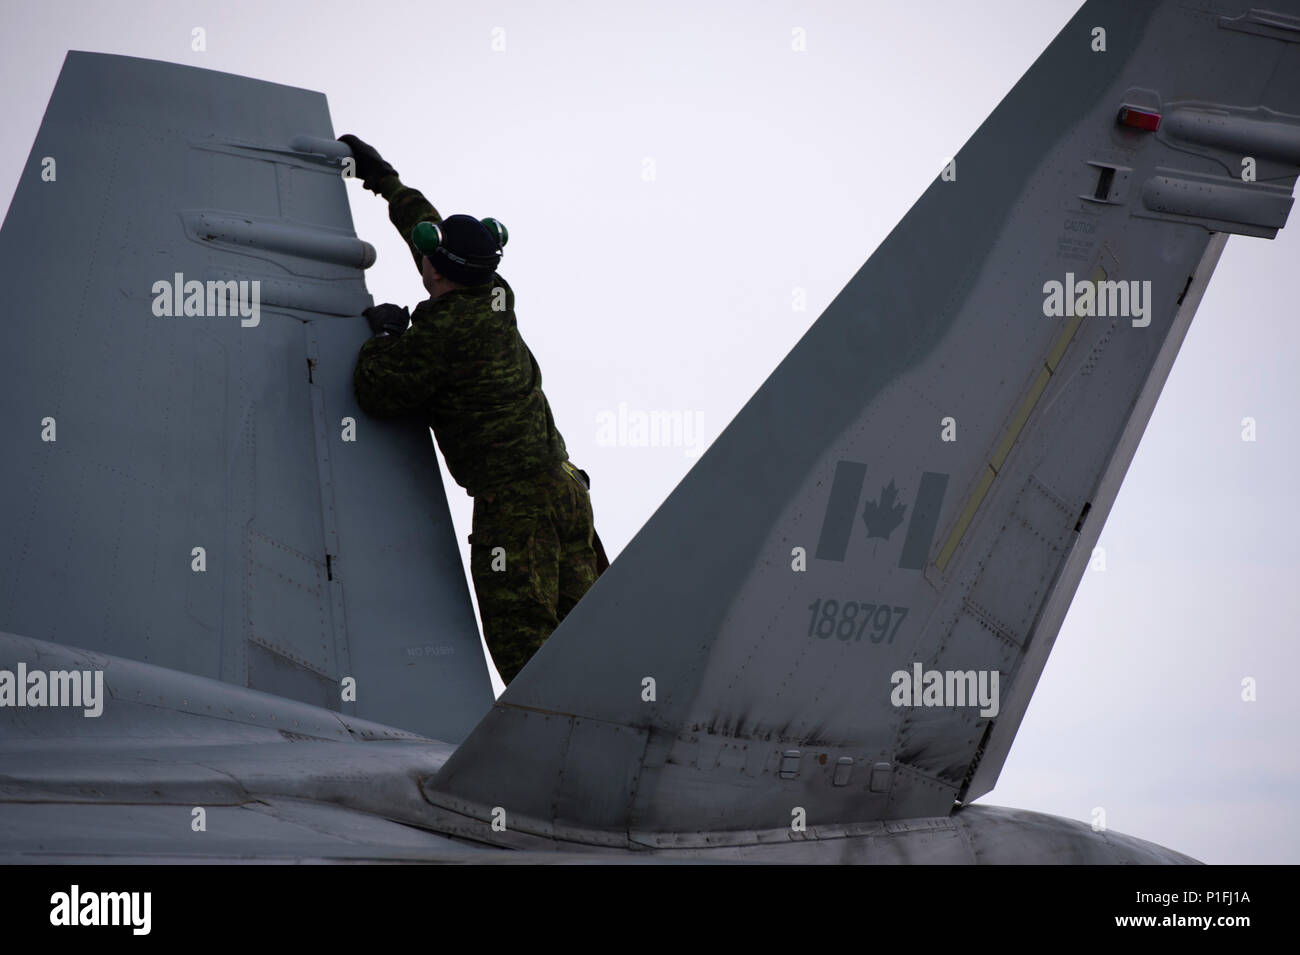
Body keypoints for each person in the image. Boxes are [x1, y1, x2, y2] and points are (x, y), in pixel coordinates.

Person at [340, 133, 606, 684]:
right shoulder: (494, 291)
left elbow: (377, 390)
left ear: (436, 271)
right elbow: (433, 235)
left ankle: (551, 761)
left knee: (528, 656)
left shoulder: (442, 333)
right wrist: (382, 178)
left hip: (519, 510)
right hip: (567, 493)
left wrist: (387, 334)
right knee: (592, 648)